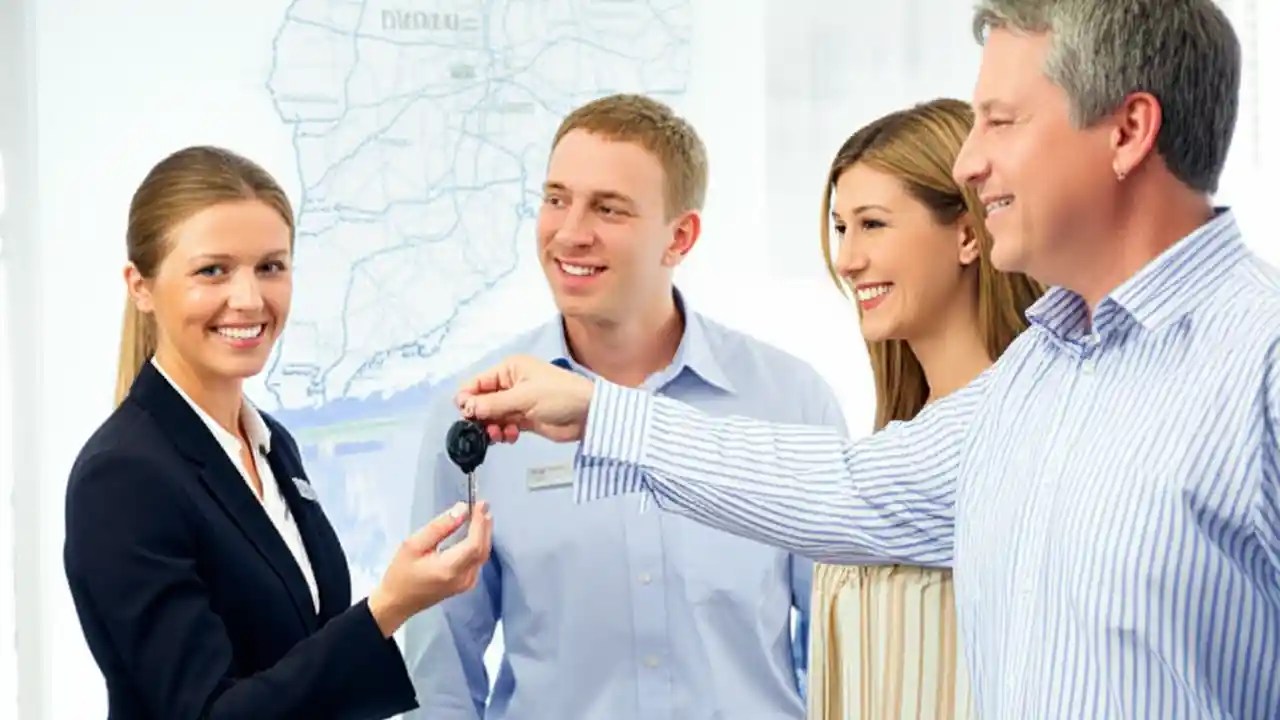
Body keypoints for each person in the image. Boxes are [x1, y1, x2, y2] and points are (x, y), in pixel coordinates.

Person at [451, 1, 1280, 717]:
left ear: (1128, 131)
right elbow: (847, 488)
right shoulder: (1041, 375)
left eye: (1002, 121)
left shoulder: (1260, 364)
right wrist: (595, 411)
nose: (969, 161)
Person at [402, 93, 847, 720]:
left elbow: (843, 649)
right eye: (556, 199)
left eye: (608, 208)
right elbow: (441, 675)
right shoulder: (475, 416)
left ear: (680, 237)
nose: (570, 232)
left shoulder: (791, 403)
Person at [62, 145, 493, 720]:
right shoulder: (124, 478)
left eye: (270, 267)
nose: (249, 299)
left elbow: (301, 659)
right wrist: (387, 608)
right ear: (140, 286)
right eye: (213, 270)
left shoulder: (272, 446)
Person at [806, 98, 1043, 720]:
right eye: (841, 227)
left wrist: (610, 419)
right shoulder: (898, 441)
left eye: (873, 224)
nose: (847, 259)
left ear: (967, 234)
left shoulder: (1010, 434)